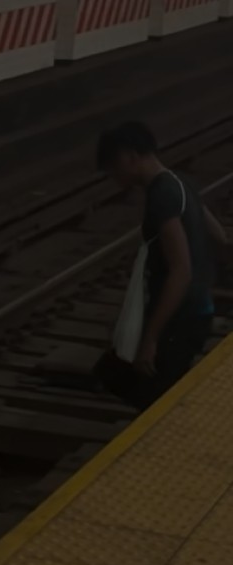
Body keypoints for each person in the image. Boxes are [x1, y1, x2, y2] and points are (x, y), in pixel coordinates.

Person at [92, 121, 221, 410]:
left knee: (143, 392)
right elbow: (219, 235)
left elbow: (181, 270)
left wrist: (150, 339)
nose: (114, 177)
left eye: (113, 169)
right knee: (113, 370)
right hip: (197, 310)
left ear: (129, 156)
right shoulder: (182, 182)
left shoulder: (161, 196)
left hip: (182, 319)